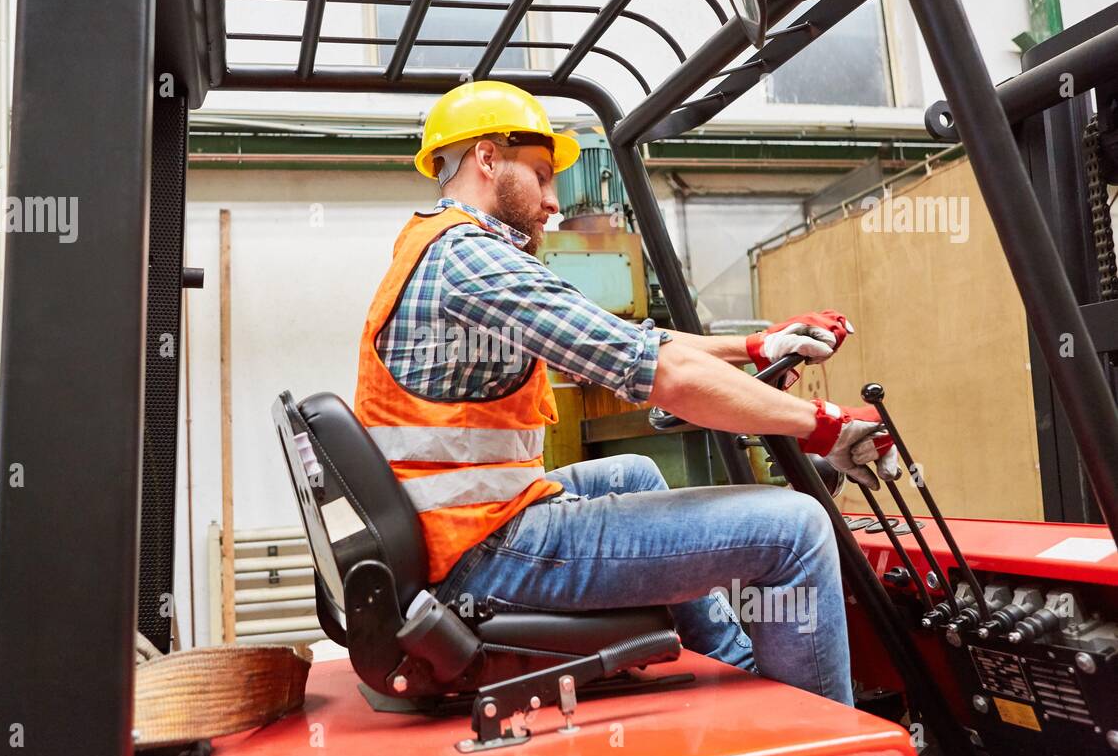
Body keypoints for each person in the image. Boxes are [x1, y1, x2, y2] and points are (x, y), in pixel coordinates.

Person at [352, 81, 900, 706]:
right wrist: (824, 425)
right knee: (798, 528)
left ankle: (736, 665)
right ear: (486, 158)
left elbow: (624, 339)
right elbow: (662, 374)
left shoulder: (439, 247)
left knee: (639, 471)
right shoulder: (472, 260)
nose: (553, 202)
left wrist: (755, 349)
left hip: (461, 533)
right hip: (485, 552)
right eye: (540, 174)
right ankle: (824, 751)